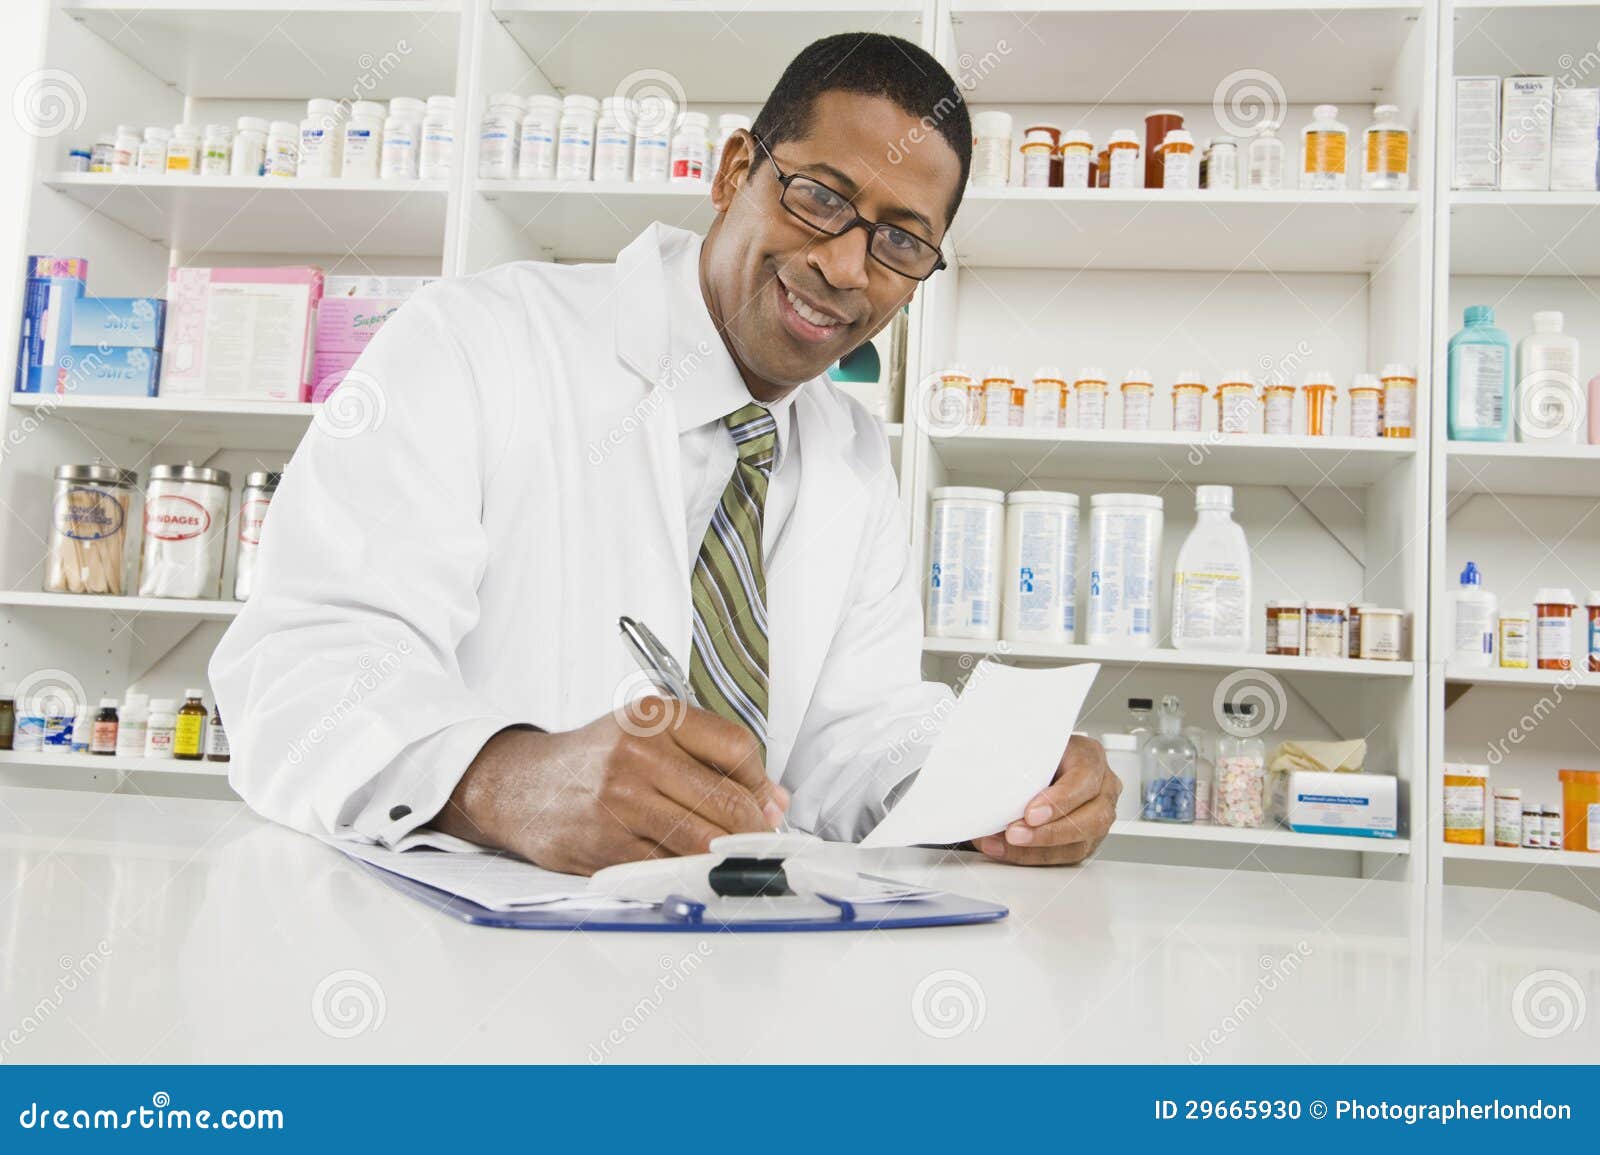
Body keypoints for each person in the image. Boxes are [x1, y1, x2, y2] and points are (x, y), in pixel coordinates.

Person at [210, 33, 1119, 875]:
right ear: (734, 173)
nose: (846, 267)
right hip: (460, 966)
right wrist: (497, 780)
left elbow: (856, 735)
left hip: (736, 978)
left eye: (900, 240)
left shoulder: (849, 454)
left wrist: (990, 787)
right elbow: (298, 673)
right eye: (821, 199)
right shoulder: (475, 342)